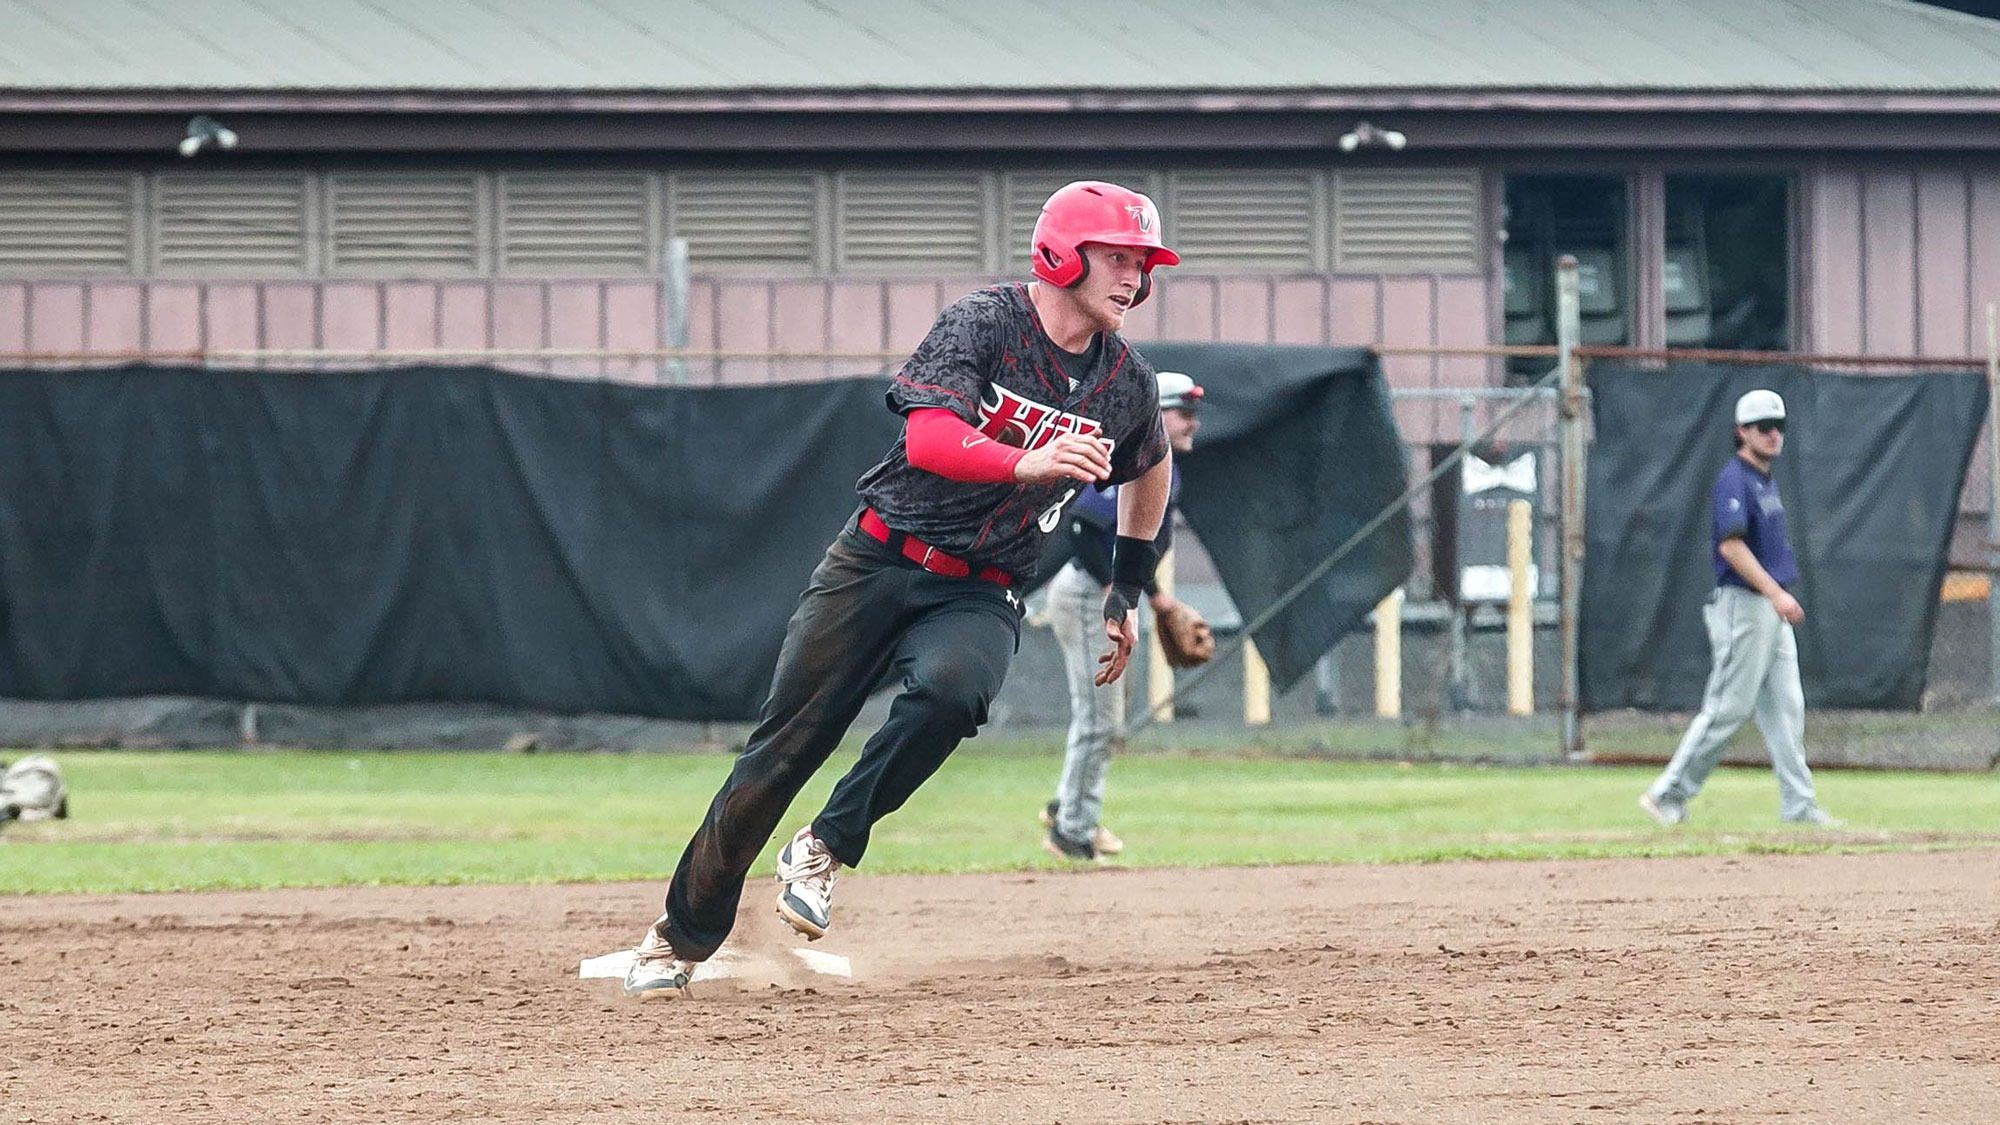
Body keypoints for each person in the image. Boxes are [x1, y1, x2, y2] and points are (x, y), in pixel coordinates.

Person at [621, 180, 1183, 998]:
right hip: (877, 560)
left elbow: (1152, 465)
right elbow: (928, 437)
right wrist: (1024, 461)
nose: (1133, 277)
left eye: (1143, 262)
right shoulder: (986, 322)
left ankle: (824, 845)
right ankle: (678, 937)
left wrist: (1129, 587)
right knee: (777, 760)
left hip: (981, 587)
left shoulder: (1124, 380)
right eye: (1117, 257)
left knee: (957, 692)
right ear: (1064, 253)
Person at [1639, 389, 1838, 828]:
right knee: (1728, 707)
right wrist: (1776, 594)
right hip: (1743, 606)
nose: (1773, 435)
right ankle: (1667, 794)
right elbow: (1731, 546)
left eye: (1779, 426)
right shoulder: (1735, 479)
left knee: (1787, 710)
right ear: (1742, 432)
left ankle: (1799, 806)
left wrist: (1776, 600)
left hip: (1769, 609)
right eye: (1764, 427)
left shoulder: (1764, 480)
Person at [1036, 371, 1203, 862]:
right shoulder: (1132, 462)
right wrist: (1115, 586)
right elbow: (1085, 525)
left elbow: (1135, 545)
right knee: (1099, 721)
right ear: (1158, 414)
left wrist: (1153, 596)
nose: (1193, 423)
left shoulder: (1165, 465)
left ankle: (1068, 807)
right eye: (1183, 412)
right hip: (1088, 595)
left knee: (1104, 719)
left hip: (1102, 595)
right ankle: (1073, 830)